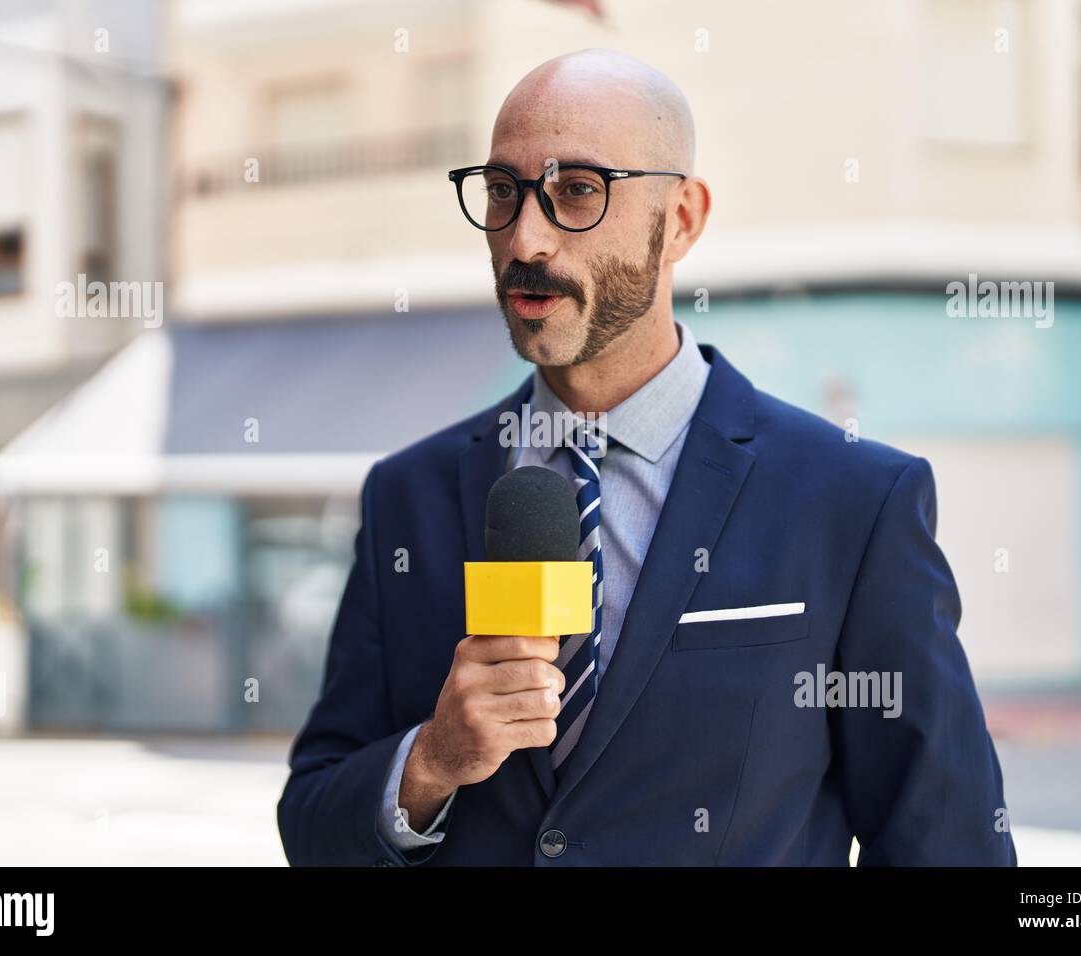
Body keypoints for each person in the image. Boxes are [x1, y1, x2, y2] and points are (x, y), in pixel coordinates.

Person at [277, 48, 1016, 866]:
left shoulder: (852, 501)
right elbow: (312, 823)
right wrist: (429, 764)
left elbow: (948, 842)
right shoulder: (404, 497)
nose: (526, 238)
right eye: (501, 192)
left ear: (685, 219)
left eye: (577, 192)